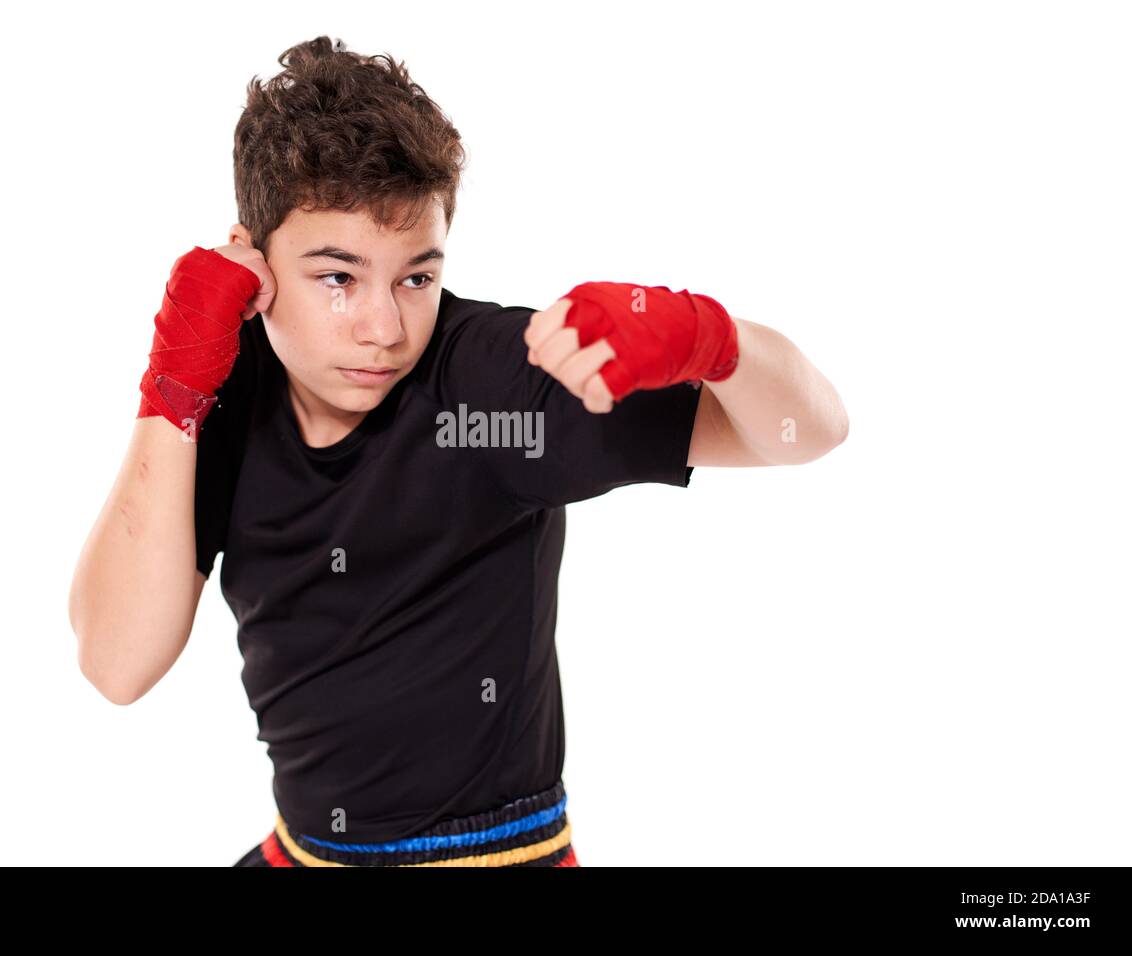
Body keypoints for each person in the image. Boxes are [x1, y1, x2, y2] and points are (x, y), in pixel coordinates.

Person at [67, 35, 849, 868]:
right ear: (250, 261)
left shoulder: (489, 385)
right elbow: (116, 664)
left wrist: (713, 339)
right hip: (303, 852)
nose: (385, 328)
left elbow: (811, 432)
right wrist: (172, 389)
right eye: (338, 278)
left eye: (416, 277)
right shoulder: (224, 387)